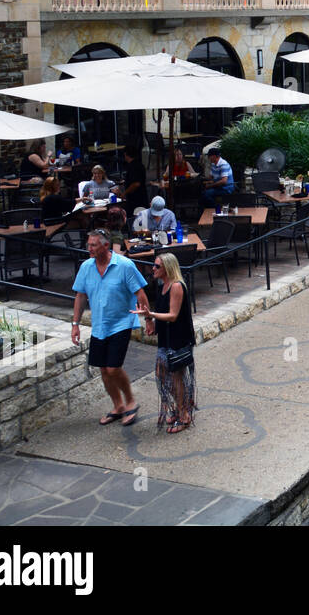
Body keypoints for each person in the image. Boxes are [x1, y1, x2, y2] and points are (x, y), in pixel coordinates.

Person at [71, 229, 151, 427]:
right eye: (88, 244)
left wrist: (148, 319)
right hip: (99, 325)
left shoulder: (124, 265)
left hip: (121, 323)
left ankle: (130, 401)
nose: (89, 248)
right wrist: (75, 325)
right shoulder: (86, 267)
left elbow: (140, 293)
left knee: (113, 368)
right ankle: (118, 406)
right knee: (104, 370)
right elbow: (80, 296)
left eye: (93, 245)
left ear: (106, 245)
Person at [134, 252, 196, 433]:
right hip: (166, 337)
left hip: (178, 338)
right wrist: (152, 323)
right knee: (162, 374)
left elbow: (173, 315)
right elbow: (163, 312)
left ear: (167, 268)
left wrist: (150, 314)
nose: (152, 268)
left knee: (176, 377)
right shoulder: (162, 285)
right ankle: (181, 406)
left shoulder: (176, 286)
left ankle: (184, 415)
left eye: (157, 266)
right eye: (153, 265)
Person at [121, 145, 148, 212]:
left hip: (136, 200)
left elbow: (136, 183)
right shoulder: (139, 164)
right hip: (142, 197)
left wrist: (124, 193)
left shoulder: (133, 167)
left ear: (126, 154)